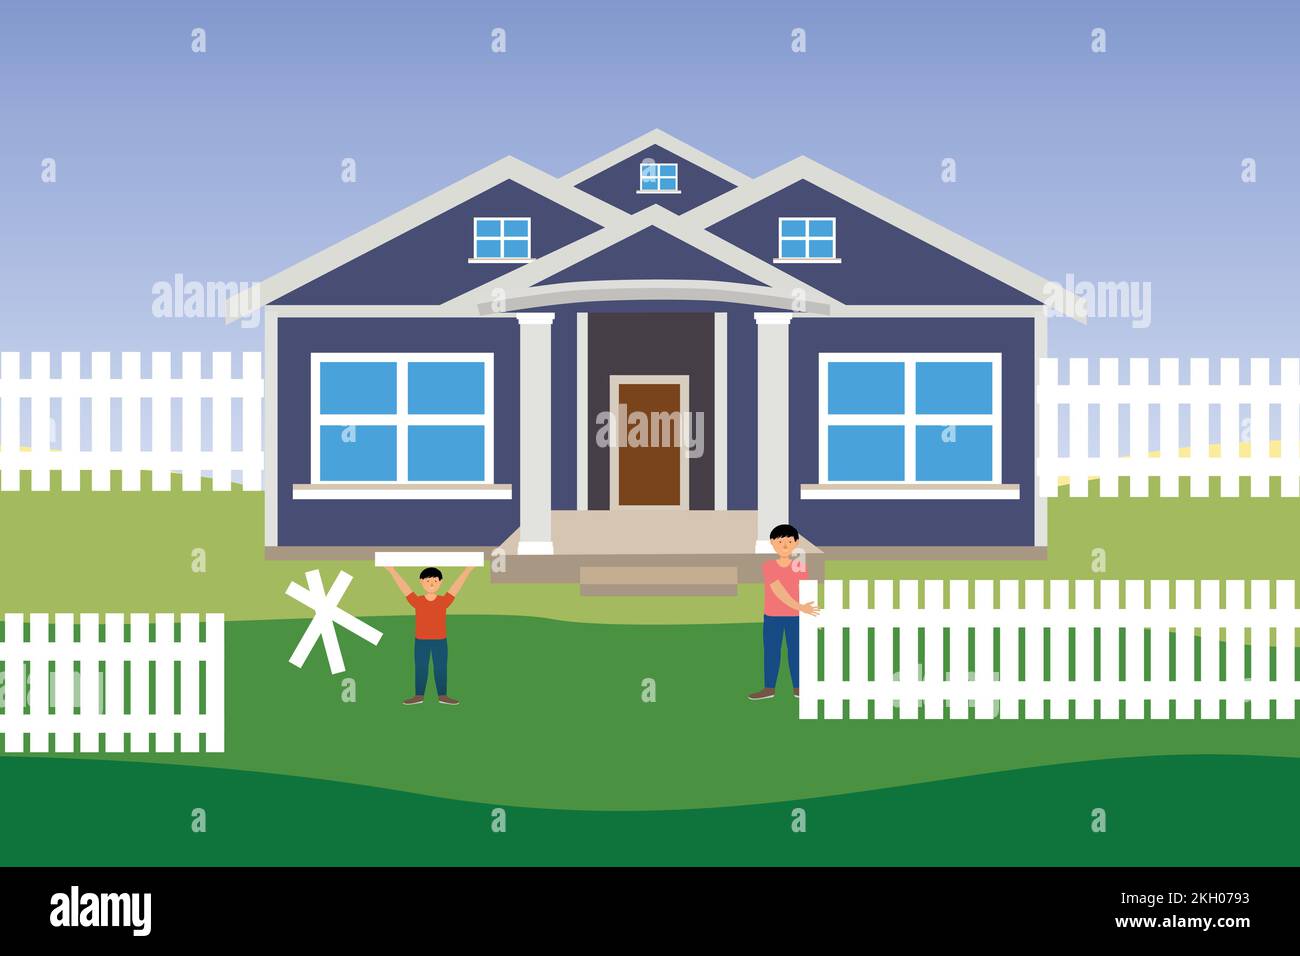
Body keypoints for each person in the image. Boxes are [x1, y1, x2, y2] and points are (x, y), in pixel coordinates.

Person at [384, 565, 474, 706]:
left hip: (440, 641)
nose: (431, 583)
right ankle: (418, 695)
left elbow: (456, 586)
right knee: (420, 667)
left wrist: (468, 570)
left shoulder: (444, 601)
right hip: (421, 641)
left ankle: (442, 695)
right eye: (428, 581)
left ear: (440, 582)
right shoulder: (417, 601)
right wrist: (391, 570)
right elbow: (404, 587)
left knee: (441, 667)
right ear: (421, 581)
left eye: (435, 581)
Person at [748, 523, 819, 701]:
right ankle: (769, 688)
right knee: (772, 652)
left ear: (796, 543)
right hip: (773, 617)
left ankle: (799, 687)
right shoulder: (769, 566)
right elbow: (779, 591)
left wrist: (811, 616)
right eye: (780, 541)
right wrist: (802, 607)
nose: (785, 545)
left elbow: (806, 591)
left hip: (796, 618)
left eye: (789, 541)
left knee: (796, 652)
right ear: (772, 543)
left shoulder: (800, 566)